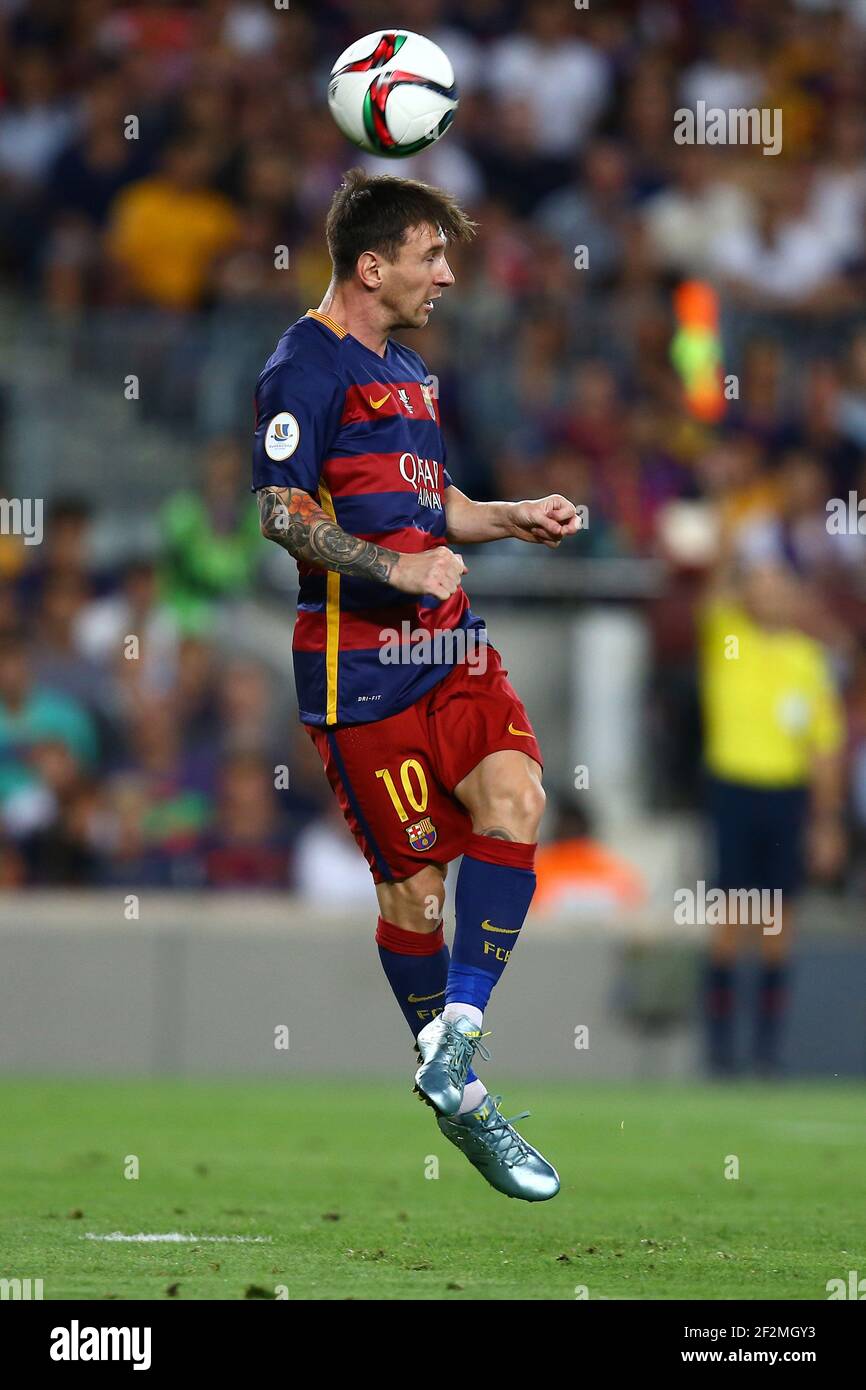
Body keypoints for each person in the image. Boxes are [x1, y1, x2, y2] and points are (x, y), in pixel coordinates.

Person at [251, 168, 580, 1201]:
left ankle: (458, 1037)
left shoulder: (411, 374)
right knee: (413, 893)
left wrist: (509, 512)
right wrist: (397, 569)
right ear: (372, 264)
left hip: (450, 648)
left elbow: (429, 509)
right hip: (360, 678)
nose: (447, 274)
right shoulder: (301, 364)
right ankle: (464, 1098)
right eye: (431, 255)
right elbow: (281, 515)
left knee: (519, 796)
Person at [698, 558, 847, 1077]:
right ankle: (719, 1053)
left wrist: (826, 823)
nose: (769, 596)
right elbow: (713, 587)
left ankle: (766, 1052)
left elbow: (825, 746)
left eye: (779, 587)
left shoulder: (808, 658)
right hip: (732, 792)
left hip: (786, 796)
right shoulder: (726, 635)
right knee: (729, 922)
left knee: (780, 924)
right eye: (760, 587)